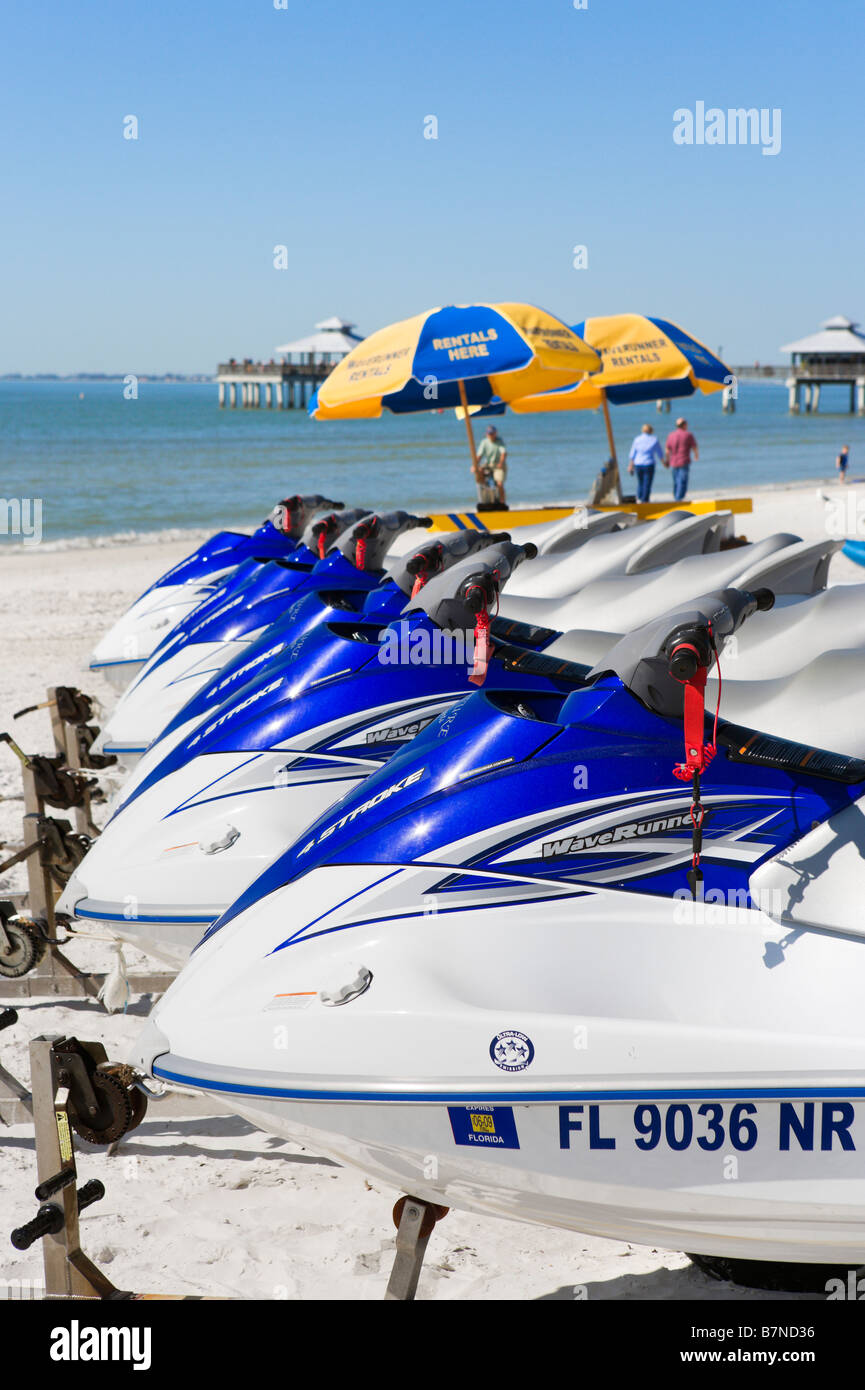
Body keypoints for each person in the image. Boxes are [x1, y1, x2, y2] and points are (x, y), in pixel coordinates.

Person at [663, 417, 699, 501]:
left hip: (673, 461)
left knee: (676, 481)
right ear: (684, 425)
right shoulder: (688, 435)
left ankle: (676, 497)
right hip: (684, 460)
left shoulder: (671, 435)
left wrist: (667, 460)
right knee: (682, 481)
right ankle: (678, 499)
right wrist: (696, 455)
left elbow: (667, 450)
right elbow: (694, 446)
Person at [627, 423, 663, 503]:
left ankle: (639, 498)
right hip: (649, 463)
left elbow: (633, 454)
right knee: (647, 483)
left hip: (638, 463)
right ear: (651, 430)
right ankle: (645, 500)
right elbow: (659, 453)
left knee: (640, 482)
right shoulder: (654, 439)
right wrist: (664, 463)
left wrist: (630, 466)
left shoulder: (637, 439)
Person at [474, 425, 508, 507]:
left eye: (492, 433)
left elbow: (503, 453)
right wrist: (475, 465)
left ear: (495, 433)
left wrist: (501, 463)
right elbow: (479, 455)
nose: (491, 435)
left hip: (498, 464)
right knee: (479, 472)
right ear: (486, 434)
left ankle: (502, 502)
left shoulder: (499, 441)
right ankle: (484, 499)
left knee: (499, 483)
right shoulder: (484, 442)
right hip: (488, 464)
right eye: (489, 434)